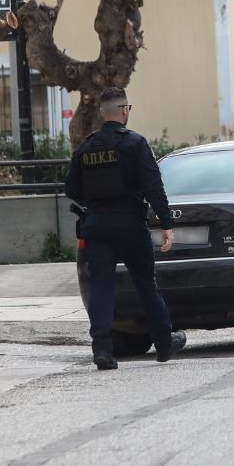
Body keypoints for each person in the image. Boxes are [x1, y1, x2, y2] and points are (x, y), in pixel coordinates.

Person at [65, 87, 187, 371]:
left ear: (101, 112)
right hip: (130, 223)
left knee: (102, 288)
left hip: (96, 225)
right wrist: (167, 223)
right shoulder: (134, 144)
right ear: (123, 110)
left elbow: (71, 188)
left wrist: (94, 205)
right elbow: (152, 186)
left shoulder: (86, 147)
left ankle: (102, 351)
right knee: (146, 283)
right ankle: (164, 344)